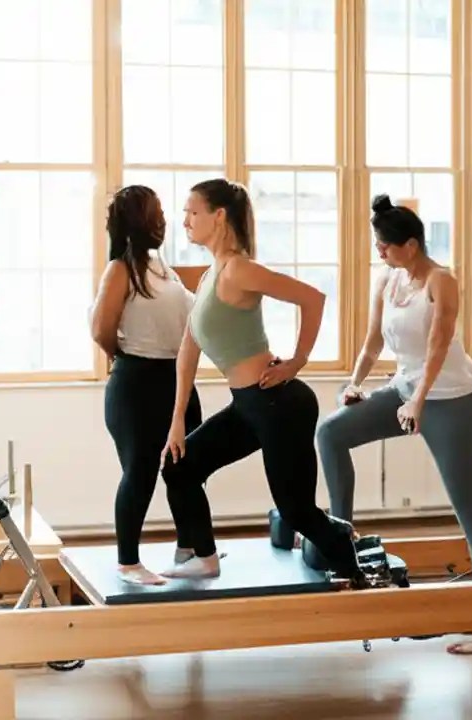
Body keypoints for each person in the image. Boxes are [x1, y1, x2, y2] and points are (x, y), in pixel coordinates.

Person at [314, 193, 472, 654]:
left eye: (386, 246)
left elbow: (438, 346)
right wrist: (354, 384)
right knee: (330, 432)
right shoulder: (388, 279)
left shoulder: (442, 282)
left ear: (411, 244)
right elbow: (373, 341)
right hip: (405, 391)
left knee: (468, 509)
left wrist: (418, 402)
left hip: (455, 400)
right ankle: (343, 544)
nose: (380, 252)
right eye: (378, 245)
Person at [158, 178, 363, 585]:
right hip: (248, 407)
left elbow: (312, 298)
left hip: (279, 404)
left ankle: (355, 578)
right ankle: (205, 557)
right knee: (179, 466)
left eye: (192, 212)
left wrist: (297, 361)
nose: (184, 221)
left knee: (297, 512)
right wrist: (177, 419)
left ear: (218, 216)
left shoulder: (240, 269)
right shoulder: (209, 276)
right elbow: (188, 350)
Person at [90, 185, 204, 586]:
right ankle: (128, 562)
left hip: (176, 379)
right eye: (157, 213)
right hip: (136, 382)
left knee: (186, 468)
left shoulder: (161, 267)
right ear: (139, 221)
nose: (165, 220)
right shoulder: (121, 269)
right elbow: (101, 330)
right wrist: (127, 358)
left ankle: (189, 549)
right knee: (140, 472)